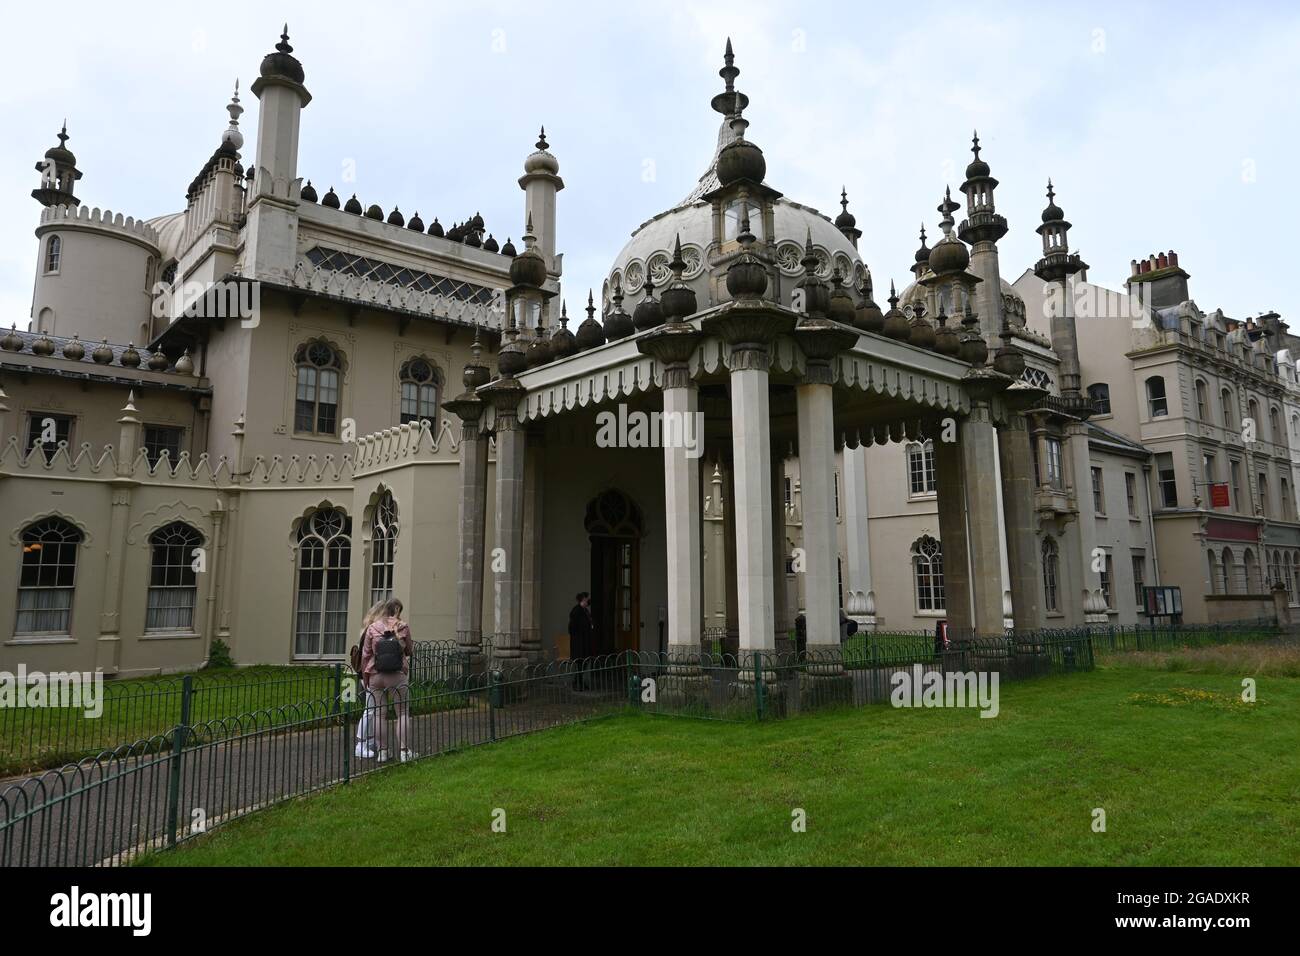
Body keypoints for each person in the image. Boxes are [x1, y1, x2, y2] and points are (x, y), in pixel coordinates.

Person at [360, 597, 415, 763]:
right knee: (403, 713)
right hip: (397, 675)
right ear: (398, 611)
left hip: (376, 675)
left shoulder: (372, 628)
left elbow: (365, 654)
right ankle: (404, 751)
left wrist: (365, 676)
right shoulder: (402, 626)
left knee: (379, 715)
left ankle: (383, 752)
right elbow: (409, 650)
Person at [351, 601, 387, 759]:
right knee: (370, 710)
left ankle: (370, 740)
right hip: (368, 675)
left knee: (374, 710)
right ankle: (360, 744)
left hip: (368, 674)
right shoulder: (371, 631)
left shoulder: (368, 630)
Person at [568, 592, 594, 690]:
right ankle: (578, 683)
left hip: (586, 641)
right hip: (579, 642)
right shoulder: (576, 611)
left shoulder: (585, 611)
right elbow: (572, 627)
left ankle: (578, 681)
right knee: (580, 662)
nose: (588, 600)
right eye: (587, 598)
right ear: (583, 599)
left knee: (585, 662)